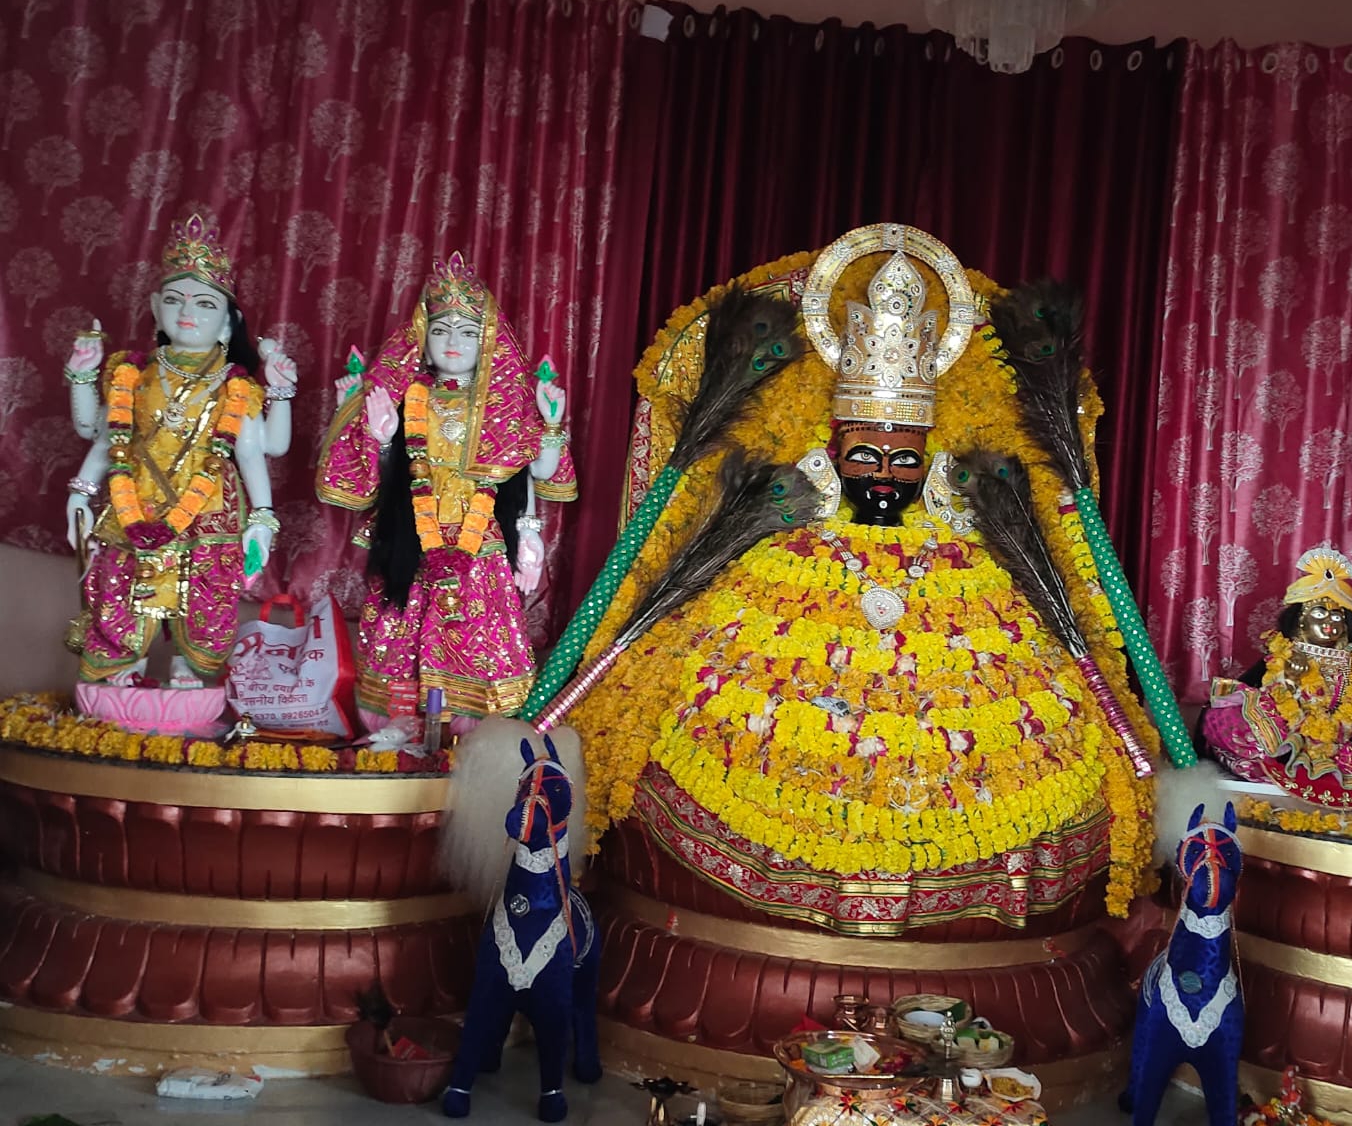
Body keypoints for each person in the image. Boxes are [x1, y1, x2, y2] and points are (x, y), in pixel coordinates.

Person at [566, 225, 1156, 932]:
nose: (881, 478)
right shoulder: (775, 540)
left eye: (903, 462)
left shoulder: (971, 551)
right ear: (833, 452)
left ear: (930, 463)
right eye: (865, 458)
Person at [317, 252, 569, 723]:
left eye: (468, 332)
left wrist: (551, 429)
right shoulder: (411, 397)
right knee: (399, 629)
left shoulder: (501, 402)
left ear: (488, 341)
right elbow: (384, 481)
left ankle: (468, 731)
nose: (452, 341)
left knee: (478, 637)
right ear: (421, 341)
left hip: (480, 543)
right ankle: (400, 728)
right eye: (440, 330)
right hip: (412, 536)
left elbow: (535, 470)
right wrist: (381, 438)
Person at [62, 214, 295, 687]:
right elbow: (101, 435)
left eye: (206, 304)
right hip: (134, 502)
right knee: (122, 585)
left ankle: (189, 671)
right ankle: (124, 668)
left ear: (229, 325)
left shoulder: (235, 386)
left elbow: (255, 452)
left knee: (204, 594)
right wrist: (81, 492)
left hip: (207, 510)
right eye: (174, 299)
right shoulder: (134, 374)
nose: (188, 312)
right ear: (155, 307)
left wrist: (264, 519)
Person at [1204, 548, 1352, 808]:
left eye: (1336, 616)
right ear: (1300, 623)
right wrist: (1292, 675)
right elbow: (1276, 693)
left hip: (1343, 737)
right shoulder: (1283, 652)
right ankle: (1287, 763)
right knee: (1231, 722)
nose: (1329, 621)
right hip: (1289, 728)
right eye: (1319, 613)